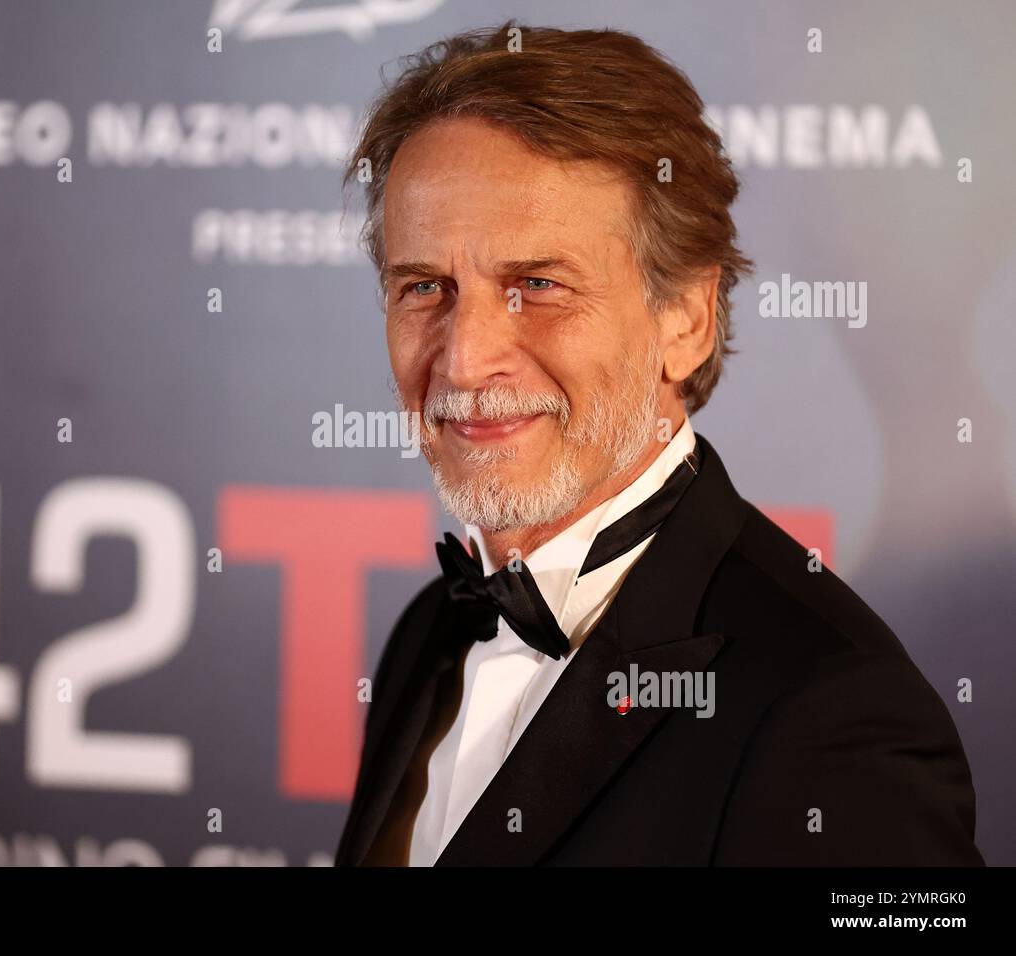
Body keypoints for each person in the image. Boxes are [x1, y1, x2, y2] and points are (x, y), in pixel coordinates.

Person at [333, 23, 982, 866]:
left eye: (537, 284)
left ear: (686, 321)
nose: (464, 357)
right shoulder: (431, 629)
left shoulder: (834, 715)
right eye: (425, 287)